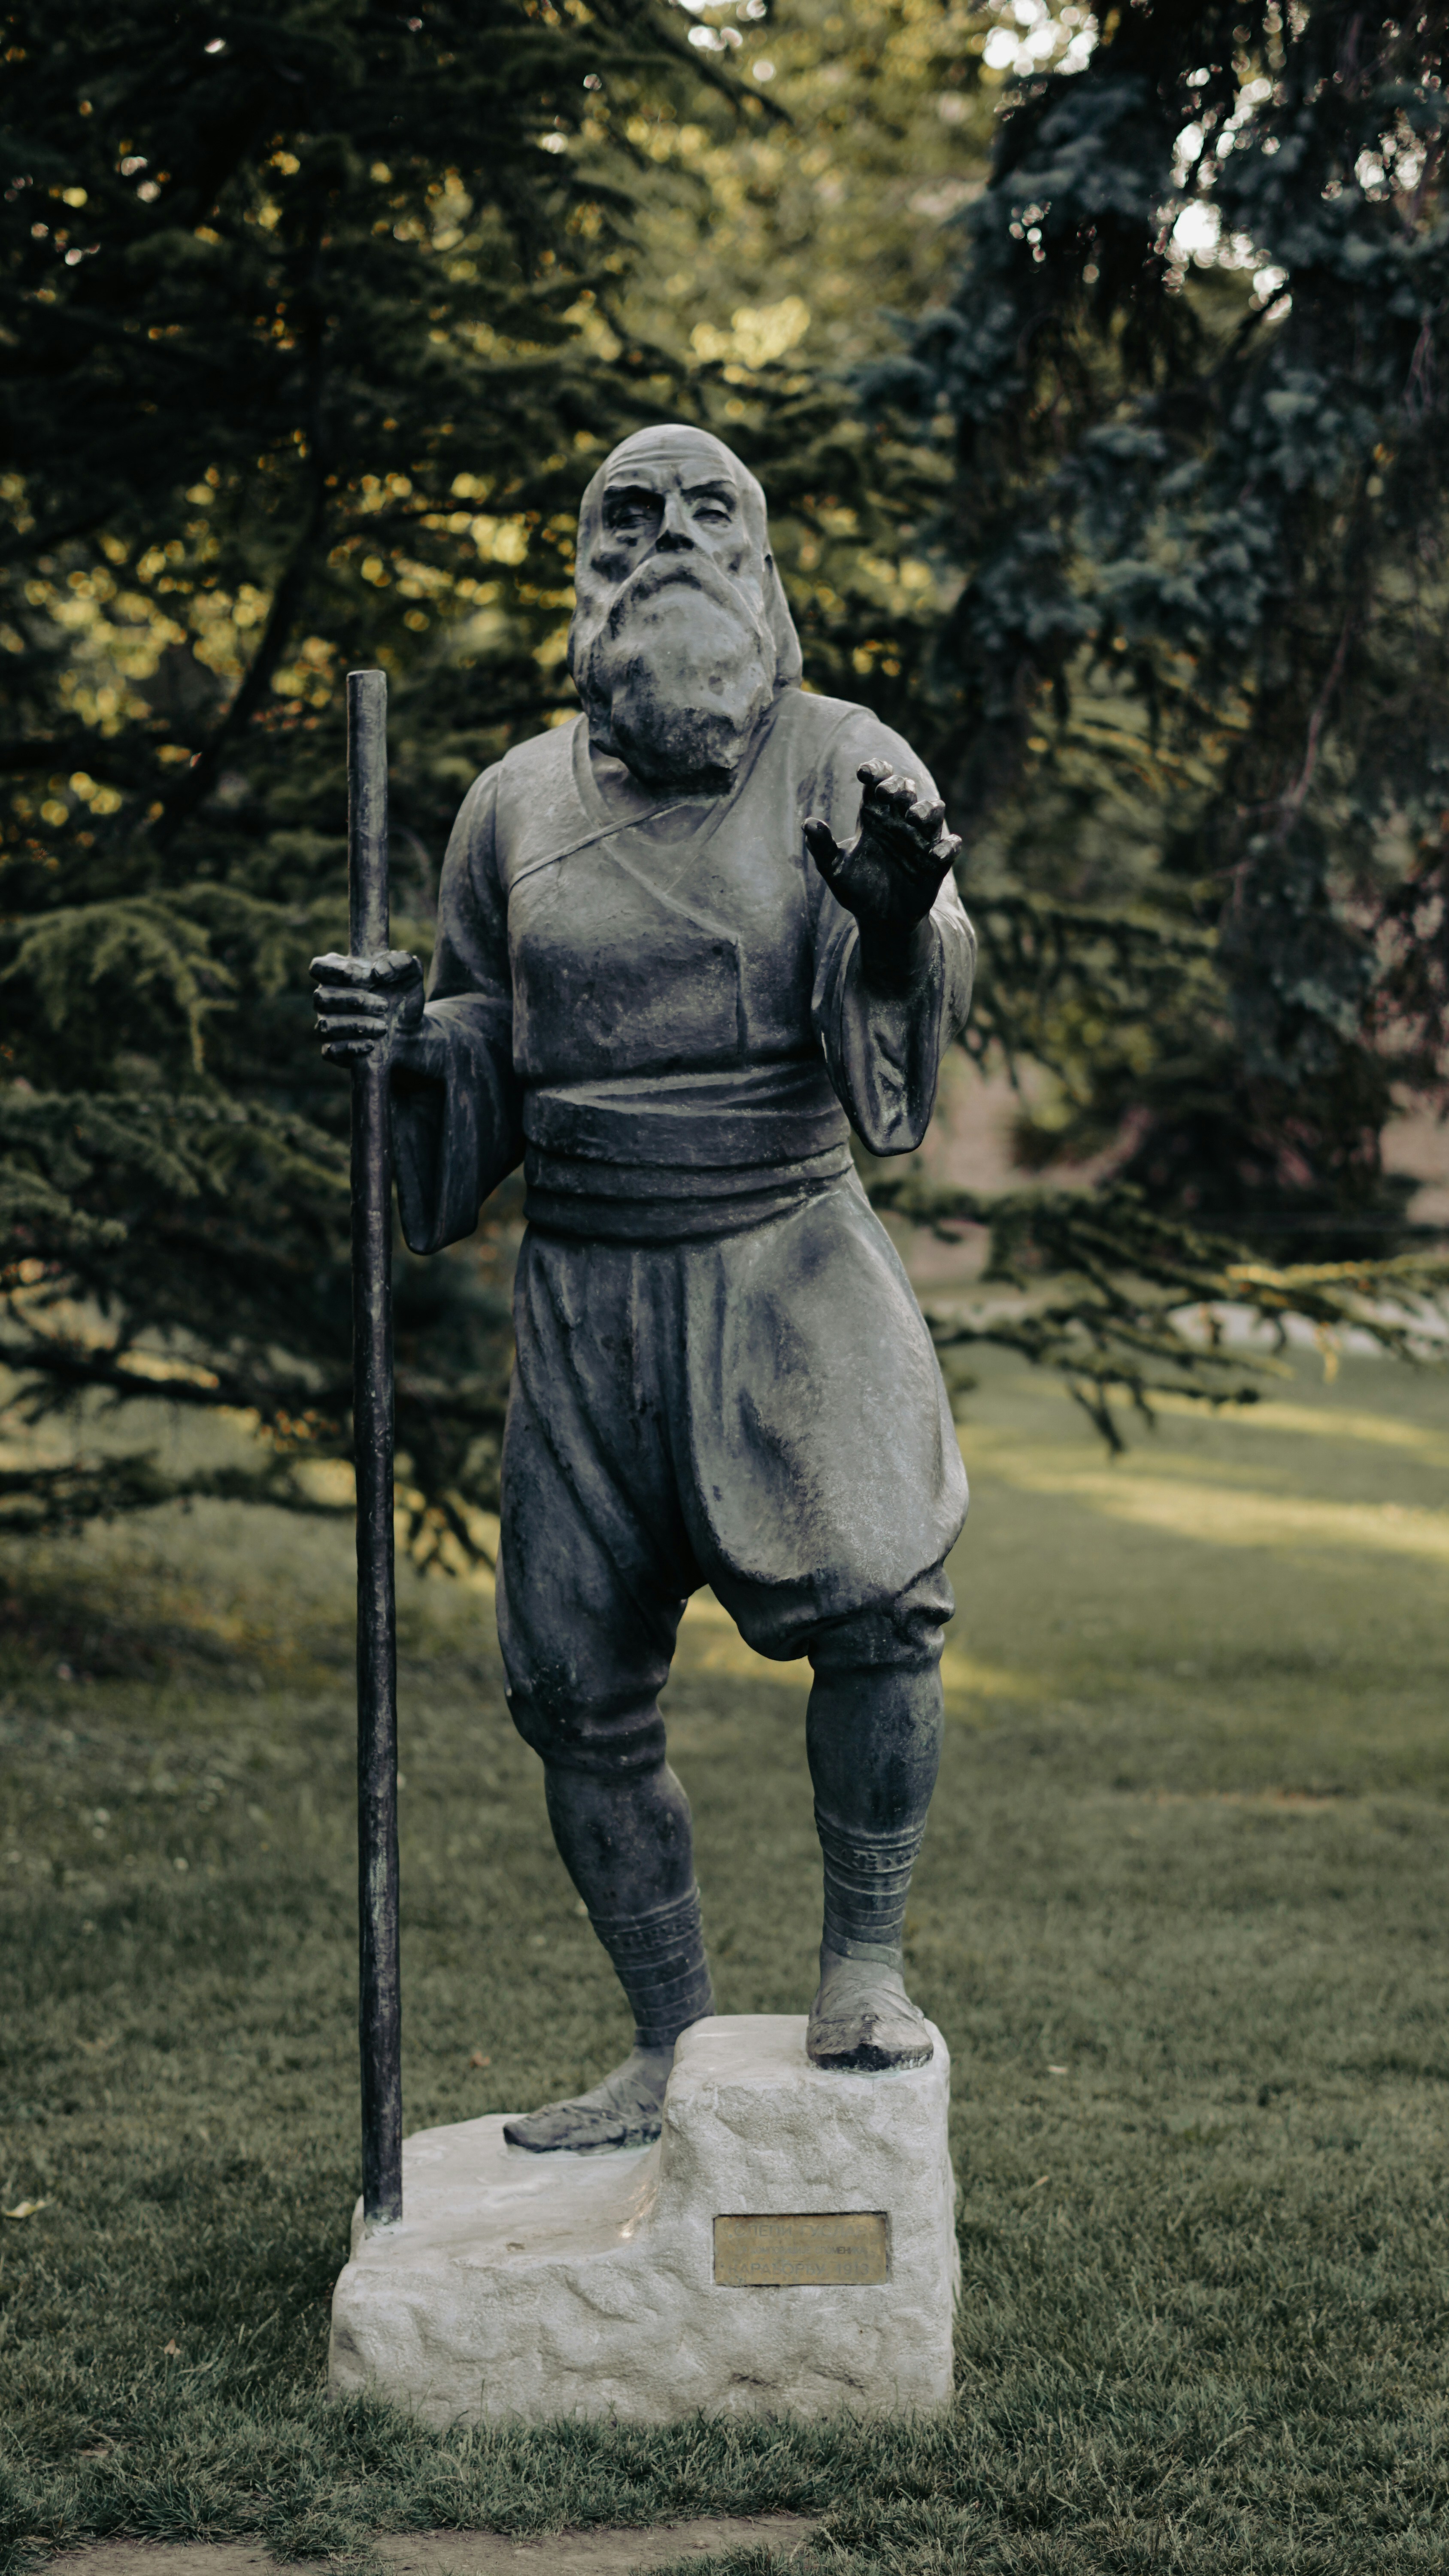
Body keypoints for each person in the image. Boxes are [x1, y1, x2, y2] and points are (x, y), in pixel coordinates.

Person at [313, 424, 975, 2152]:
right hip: (588, 1289)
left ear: (760, 559)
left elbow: (920, 978)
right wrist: (406, 1047)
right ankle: (666, 2037)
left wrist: (893, 926)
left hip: (788, 1257)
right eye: (631, 512)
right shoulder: (513, 802)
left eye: (707, 511)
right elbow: (482, 1023)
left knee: (882, 1603)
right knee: (571, 1688)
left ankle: (865, 1963)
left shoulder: (844, 755)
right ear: (586, 561)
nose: (669, 536)